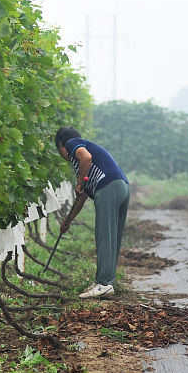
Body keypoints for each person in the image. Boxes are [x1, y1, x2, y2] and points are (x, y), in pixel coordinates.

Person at [54, 126, 129, 298]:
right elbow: (82, 196)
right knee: (112, 238)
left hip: (108, 187)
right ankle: (106, 280)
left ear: (61, 144)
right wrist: (69, 219)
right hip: (122, 187)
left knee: (104, 235)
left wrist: (79, 182)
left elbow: (86, 157)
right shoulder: (83, 163)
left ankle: (104, 283)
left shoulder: (74, 144)